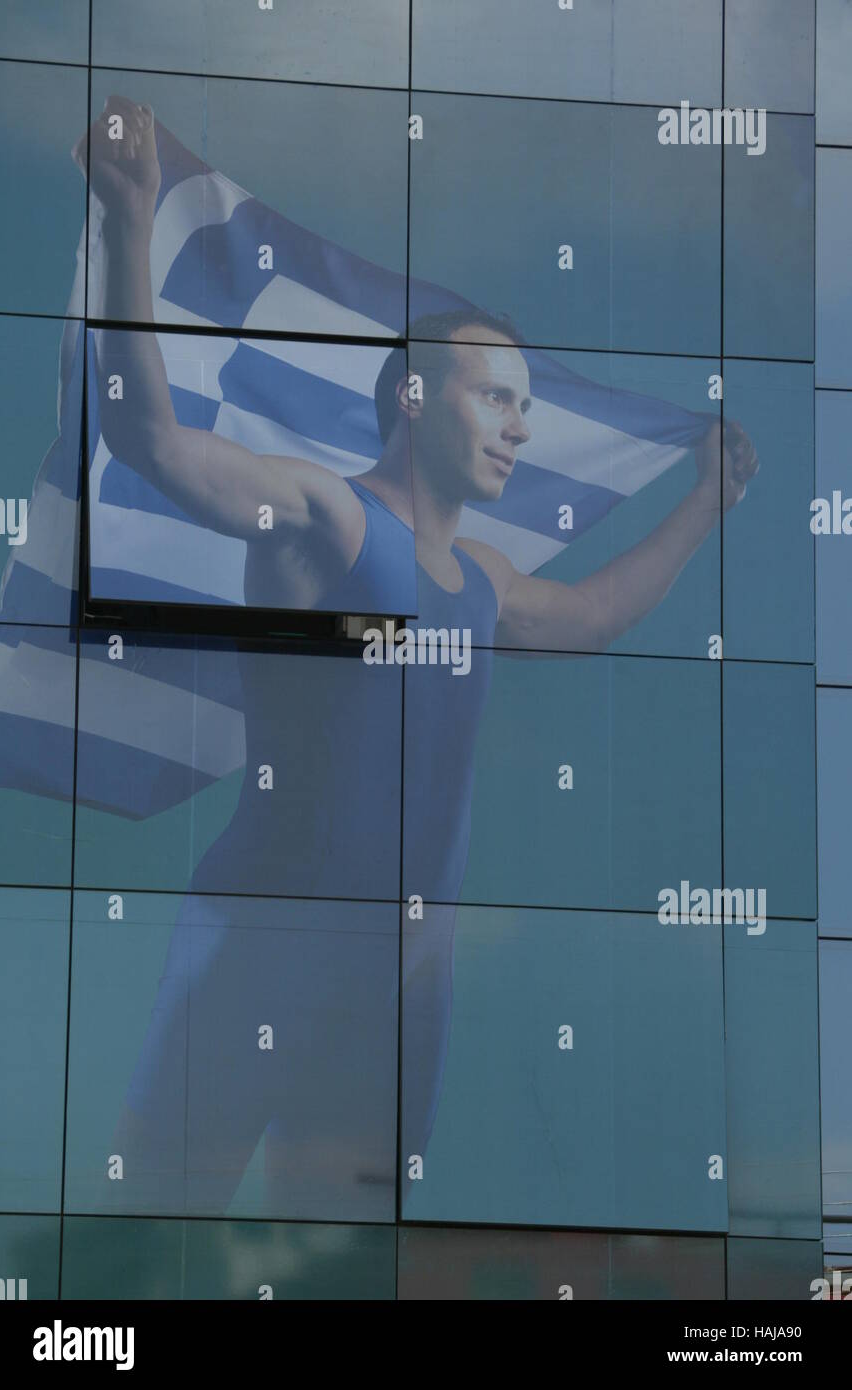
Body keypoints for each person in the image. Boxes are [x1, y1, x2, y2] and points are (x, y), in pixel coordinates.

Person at [75, 96, 759, 1215]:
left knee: (338, 1260)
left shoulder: (483, 578)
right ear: (411, 396)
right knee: (150, 1235)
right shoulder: (321, 517)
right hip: (261, 939)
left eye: (525, 409)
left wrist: (703, 505)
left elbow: (587, 616)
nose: (518, 429)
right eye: (495, 397)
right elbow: (148, 439)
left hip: (398, 980)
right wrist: (127, 219)